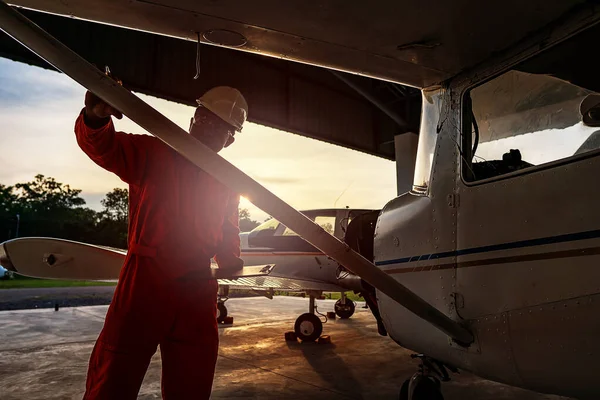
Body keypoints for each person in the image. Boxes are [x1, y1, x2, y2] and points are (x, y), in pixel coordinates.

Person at [75, 85, 248, 399]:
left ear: (230, 139)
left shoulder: (227, 179)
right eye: (203, 118)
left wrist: (230, 259)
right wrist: (95, 119)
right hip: (146, 278)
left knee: (193, 377)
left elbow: (227, 227)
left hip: (197, 285)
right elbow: (107, 148)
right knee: (114, 373)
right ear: (193, 118)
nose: (205, 127)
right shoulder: (156, 153)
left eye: (218, 126)